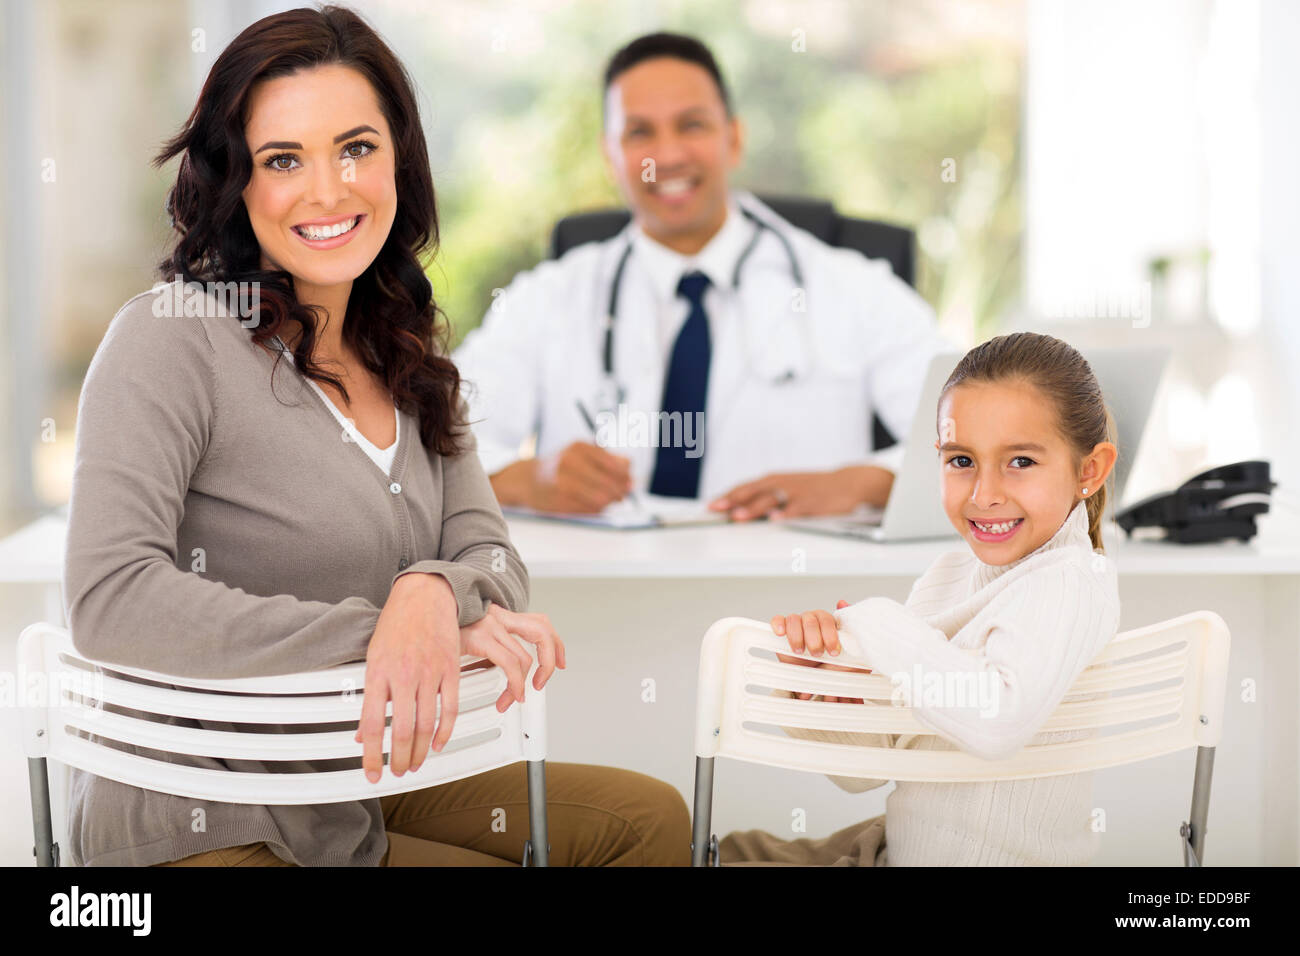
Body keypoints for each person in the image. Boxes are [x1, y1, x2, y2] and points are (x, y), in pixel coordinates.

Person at [62, 5, 689, 867]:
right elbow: (112, 597)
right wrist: (387, 635)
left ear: (400, 159)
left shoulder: (410, 356)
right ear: (236, 180)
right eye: (284, 160)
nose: (329, 191)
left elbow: (492, 558)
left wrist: (430, 594)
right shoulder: (170, 338)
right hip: (206, 799)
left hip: (358, 766)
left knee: (647, 821)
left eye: (356, 148)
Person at [453, 31, 953, 520]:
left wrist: (863, 484)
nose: (669, 156)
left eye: (691, 125)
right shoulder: (548, 297)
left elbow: (972, 436)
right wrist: (526, 479)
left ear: (733, 139)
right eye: (640, 132)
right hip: (602, 571)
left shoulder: (857, 290)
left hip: (793, 572)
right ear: (610, 155)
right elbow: (438, 439)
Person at [722, 332, 1121, 865]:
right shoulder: (948, 574)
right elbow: (865, 774)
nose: (984, 494)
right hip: (894, 849)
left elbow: (996, 719)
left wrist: (872, 624)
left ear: (1089, 470)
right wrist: (818, 689)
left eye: (1021, 461)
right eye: (961, 460)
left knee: (686, 847)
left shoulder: (1071, 582)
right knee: (719, 848)